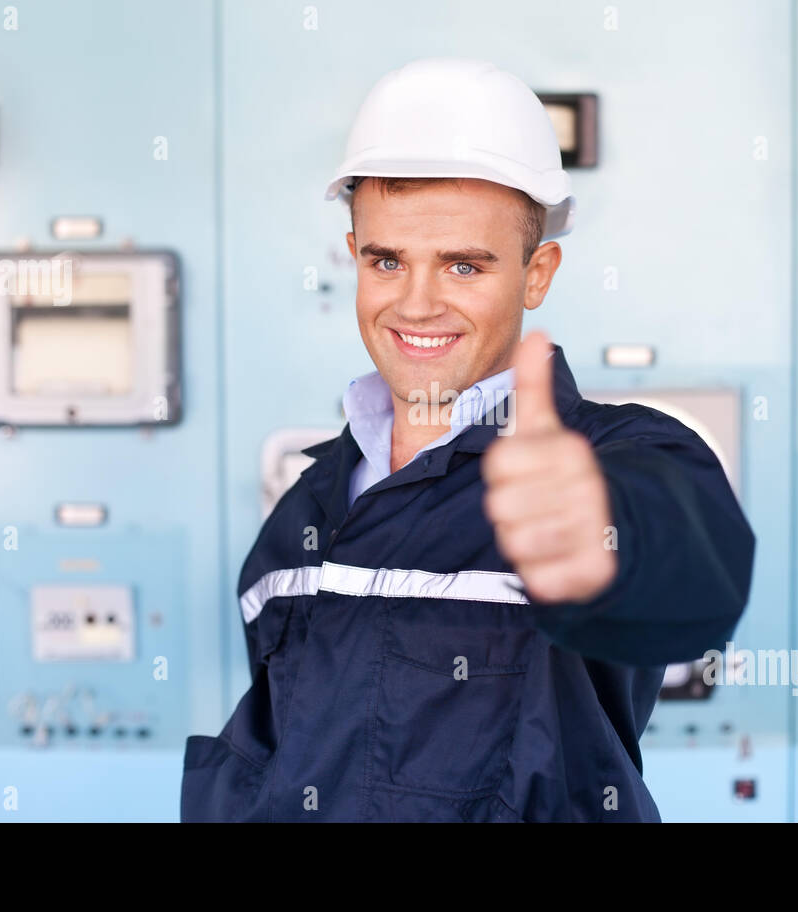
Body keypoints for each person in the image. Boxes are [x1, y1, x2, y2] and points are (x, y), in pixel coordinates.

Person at [181, 57, 755, 822]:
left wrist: (600, 530)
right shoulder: (305, 513)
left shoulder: (614, 456)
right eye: (388, 261)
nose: (417, 304)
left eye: (462, 265)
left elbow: (694, 575)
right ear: (355, 257)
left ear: (536, 273)